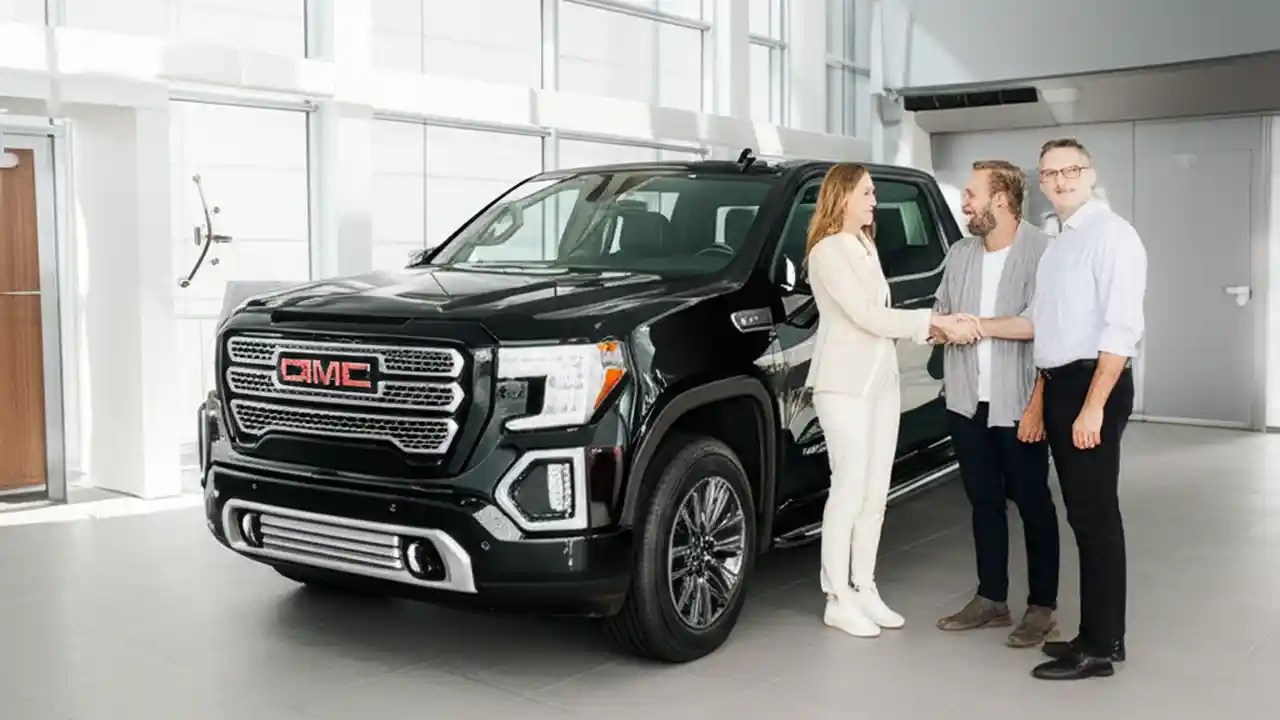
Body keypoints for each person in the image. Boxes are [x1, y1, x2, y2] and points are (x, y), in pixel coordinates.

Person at [802, 163, 977, 638]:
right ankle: (837, 597)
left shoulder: (864, 245)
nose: (874, 200)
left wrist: (934, 324)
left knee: (876, 492)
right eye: (867, 192)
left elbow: (879, 316)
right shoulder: (827, 251)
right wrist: (935, 325)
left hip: (880, 383)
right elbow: (867, 316)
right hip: (843, 385)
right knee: (849, 489)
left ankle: (864, 587)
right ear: (842, 197)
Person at [1027, 138, 1146, 680]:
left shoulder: (1112, 236)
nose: (1061, 179)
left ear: (1090, 173)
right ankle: (1102, 634)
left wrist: (1093, 407)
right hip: (1062, 383)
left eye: (1071, 169)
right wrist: (1039, 399)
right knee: (1084, 513)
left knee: (1096, 517)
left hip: (1092, 384)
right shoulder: (1059, 241)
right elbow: (1047, 329)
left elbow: (1121, 331)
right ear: (1042, 180)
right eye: (1051, 172)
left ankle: (1099, 648)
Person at [931, 160, 1061, 648]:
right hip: (967, 401)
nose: (964, 203)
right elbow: (942, 313)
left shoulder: (1042, 252)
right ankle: (991, 598)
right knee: (983, 500)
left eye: (971, 194)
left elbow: (1038, 324)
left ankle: (1042, 607)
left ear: (1001, 199)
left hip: (1020, 400)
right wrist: (943, 326)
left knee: (1032, 501)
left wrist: (977, 325)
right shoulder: (961, 253)